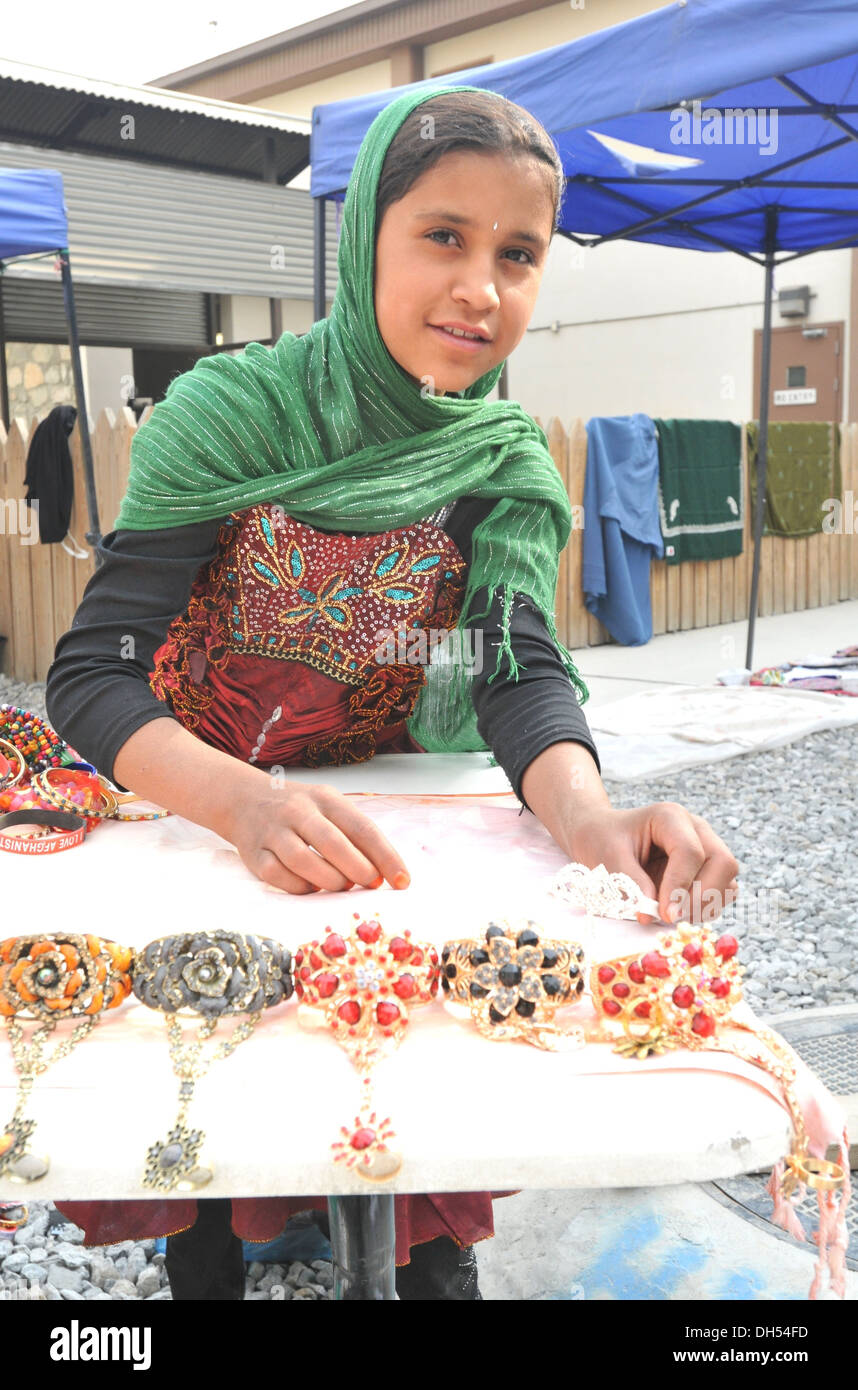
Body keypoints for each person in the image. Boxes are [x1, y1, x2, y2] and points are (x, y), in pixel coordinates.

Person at [45, 83, 739, 1300]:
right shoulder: (232, 414)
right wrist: (243, 804)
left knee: (413, 1120)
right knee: (206, 1124)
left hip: (384, 828)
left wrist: (594, 820)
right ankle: (206, 1250)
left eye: (517, 255)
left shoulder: (499, 462)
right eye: (443, 237)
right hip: (200, 816)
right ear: (364, 232)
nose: (482, 286)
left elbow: (513, 667)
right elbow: (93, 671)